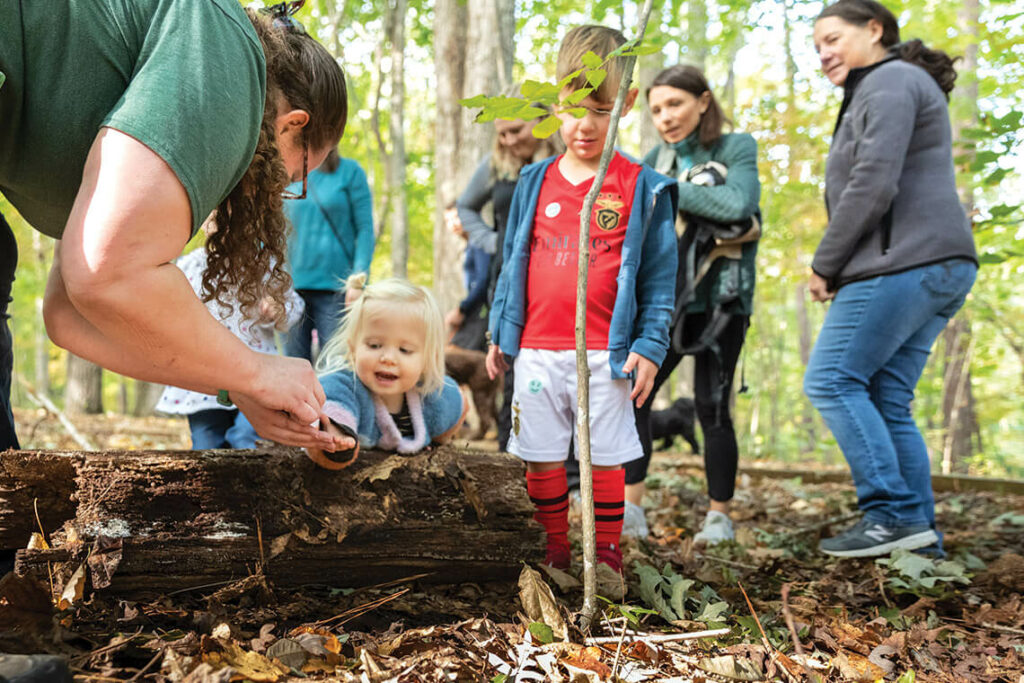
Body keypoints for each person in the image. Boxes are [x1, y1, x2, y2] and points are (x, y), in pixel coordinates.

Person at [0, 1, 349, 453]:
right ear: (291, 125)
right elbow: (106, 271)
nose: (280, 192)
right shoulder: (227, 62)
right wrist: (257, 370)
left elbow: (69, 317)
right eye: (295, 178)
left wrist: (236, 384)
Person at [486, 25, 678, 586]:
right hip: (538, 349)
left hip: (605, 352)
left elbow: (660, 279)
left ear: (628, 103)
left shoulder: (641, 186)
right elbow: (512, 262)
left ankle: (607, 556)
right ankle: (555, 549)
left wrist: (650, 344)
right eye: (573, 109)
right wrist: (500, 329)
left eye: (601, 109)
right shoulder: (534, 180)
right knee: (540, 452)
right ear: (554, 105)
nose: (585, 124)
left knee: (606, 455)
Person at [805, 0, 977, 558]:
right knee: (886, 398)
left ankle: (892, 515)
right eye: (817, 47)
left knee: (831, 379)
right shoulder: (889, 84)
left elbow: (872, 182)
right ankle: (920, 543)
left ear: (874, 30)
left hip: (904, 262)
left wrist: (826, 263)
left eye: (833, 39)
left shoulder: (889, 80)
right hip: (933, 264)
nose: (824, 53)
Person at [628, 65, 762, 545]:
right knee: (635, 395)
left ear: (703, 102)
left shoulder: (735, 147)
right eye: (656, 109)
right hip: (664, 303)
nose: (665, 117)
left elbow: (738, 205)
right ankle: (631, 509)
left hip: (725, 300)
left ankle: (719, 518)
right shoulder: (655, 158)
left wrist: (662, 186)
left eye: (675, 104)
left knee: (712, 406)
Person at [454, 88, 563, 447]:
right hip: (509, 280)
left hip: (556, 280)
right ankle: (509, 453)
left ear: (544, 122)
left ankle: (561, 461)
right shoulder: (496, 165)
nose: (508, 140)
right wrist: (491, 241)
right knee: (511, 369)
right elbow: (466, 207)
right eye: (502, 133)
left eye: (516, 130)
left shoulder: (566, 163)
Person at [156, 217, 305, 449]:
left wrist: (277, 309)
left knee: (247, 439)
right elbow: (171, 312)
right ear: (204, 223)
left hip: (255, 375)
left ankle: (251, 472)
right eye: (217, 218)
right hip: (204, 381)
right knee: (207, 444)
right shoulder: (189, 266)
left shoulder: (264, 266)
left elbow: (294, 306)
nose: (227, 225)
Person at [306, 275, 467, 469]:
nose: (388, 358)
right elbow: (334, 403)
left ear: (426, 360)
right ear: (353, 349)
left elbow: (457, 405)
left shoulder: (432, 397)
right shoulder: (347, 385)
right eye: (374, 345)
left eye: (405, 350)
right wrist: (335, 432)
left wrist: (441, 438)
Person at [283, 148, 375, 363]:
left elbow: (365, 230)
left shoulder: (350, 172)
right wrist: (266, 281)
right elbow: (270, 231)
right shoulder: (287, 173)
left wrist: (358, 280)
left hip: (336, 290)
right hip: (289, 289)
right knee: (293, 366)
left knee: (335, 365)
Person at [444, 203, 490, 352]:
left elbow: (483, 279)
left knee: (456, 354)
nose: (453, 224)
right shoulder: (471, 244)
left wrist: (462, 309)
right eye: (448, 220)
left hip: (482, 312)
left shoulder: (479, 241)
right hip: (477, 310)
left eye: (456, 217)